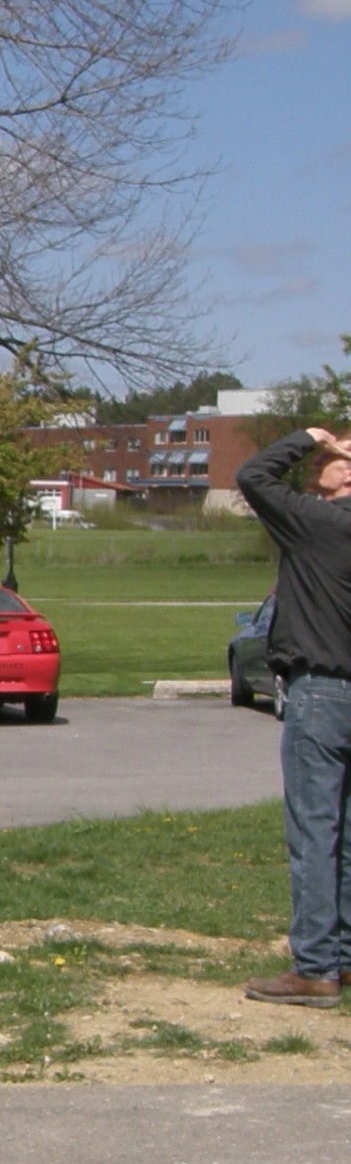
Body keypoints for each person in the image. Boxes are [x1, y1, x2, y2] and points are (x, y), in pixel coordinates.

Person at [235, 423, 351, 1002]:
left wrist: (307, 437)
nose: (313, 472)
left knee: (315, 830)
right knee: (348, 835)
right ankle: (345, 956)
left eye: (323, 465)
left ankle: (314, 967)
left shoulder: (315, 523)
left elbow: (252, 476)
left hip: (324, 691)